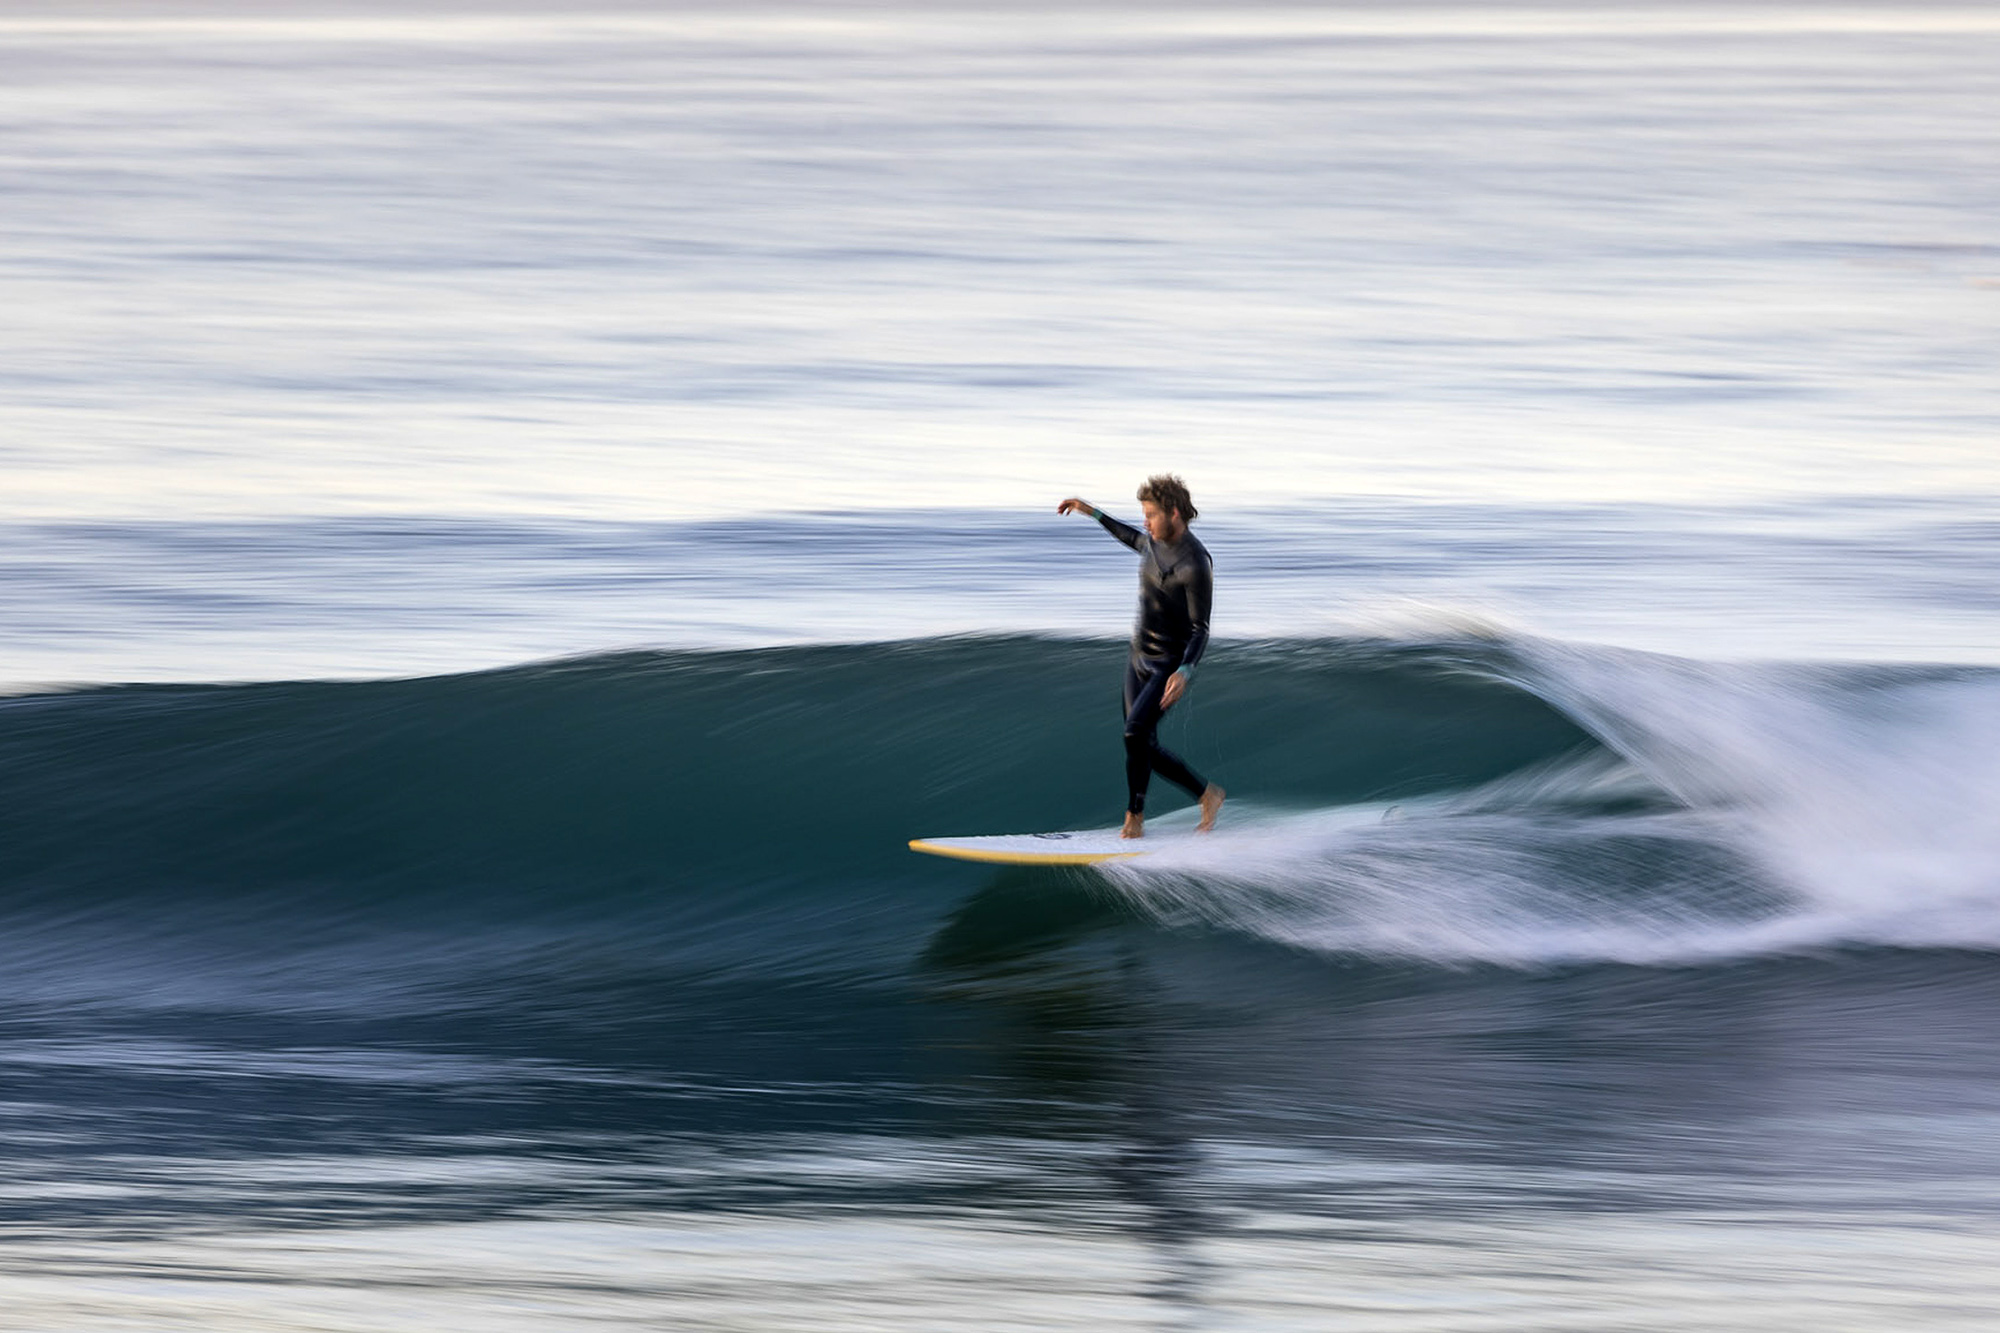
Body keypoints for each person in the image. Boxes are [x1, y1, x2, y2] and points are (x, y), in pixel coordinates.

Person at [1057, 476, 1225, 839]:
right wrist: (1092, 511)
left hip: (1167, 664)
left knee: (1134, 734)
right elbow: (1127, 535)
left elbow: (1201, 628)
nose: (1145, 522)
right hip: (1138, 658)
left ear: (1174, 513)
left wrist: (1185, 671)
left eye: (1150, 514)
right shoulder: (1151, 542)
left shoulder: (1196, 563)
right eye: (1143, 515)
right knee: (1140, 741)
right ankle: (1206, 795)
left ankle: (1135, 816)